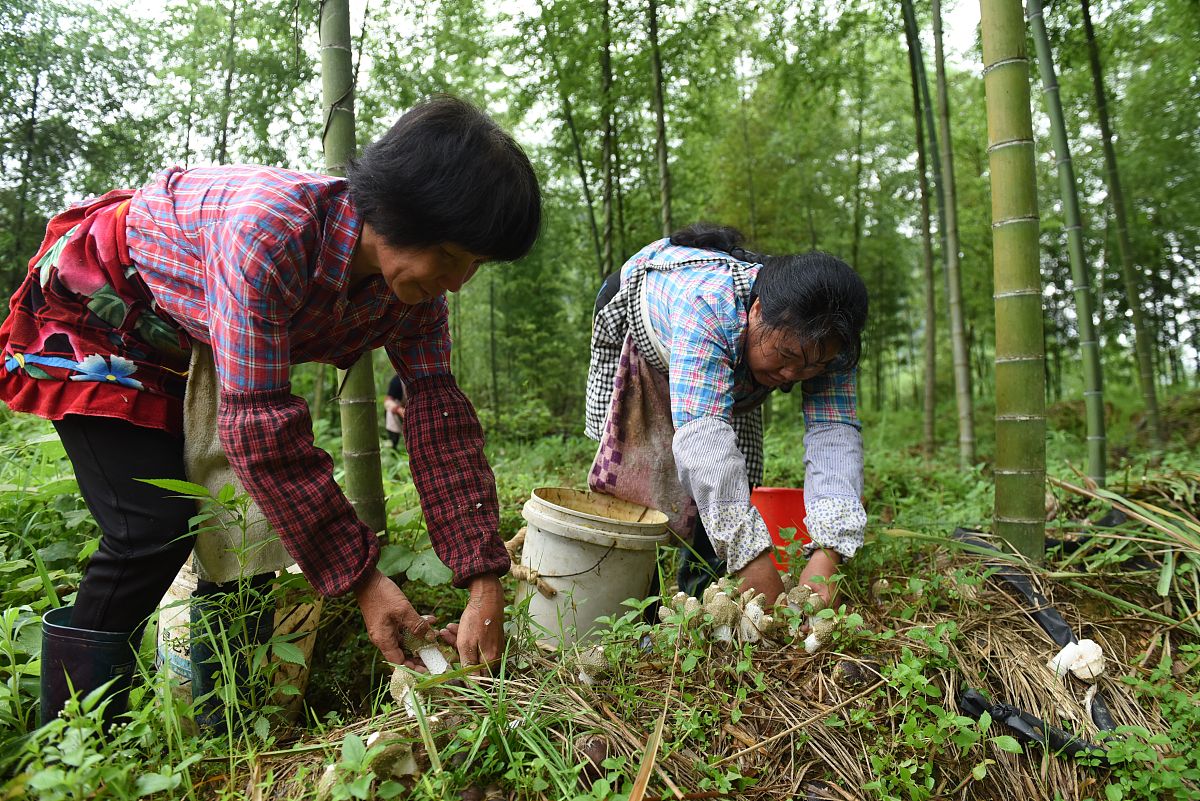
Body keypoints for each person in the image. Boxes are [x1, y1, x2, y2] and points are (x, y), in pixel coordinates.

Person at [0, 95, 541, 725]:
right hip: (104, 308)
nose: (455, 283)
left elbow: (439, 421)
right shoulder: (271, 232)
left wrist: (483, 578)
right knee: (152, 526)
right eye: (449, 257)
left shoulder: (414, 296)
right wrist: (365, 582)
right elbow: (261, 428)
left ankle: (223, 718)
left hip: (200, 337)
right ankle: (77, 732)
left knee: (250, 531)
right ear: (397, 212)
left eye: (472, 266)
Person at [586, 224, 867, 609]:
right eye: (785, 357)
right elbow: (703, 436)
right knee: (637, 475)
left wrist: (829, 553)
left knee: (738, 470)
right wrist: (751, 555)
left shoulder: (831, 341)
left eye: (809, 368)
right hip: (643, 318)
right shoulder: (708, 304)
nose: (790, 376)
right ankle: (634, 608)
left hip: (735, 353)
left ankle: (705, 592)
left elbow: (833, 432)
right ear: (756, 312)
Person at [384, 374, 407, 448]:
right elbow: (387, 402)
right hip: (401, 411)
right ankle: (393, 445)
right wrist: (399, 410)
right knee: (390, 412)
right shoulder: (397, 381)